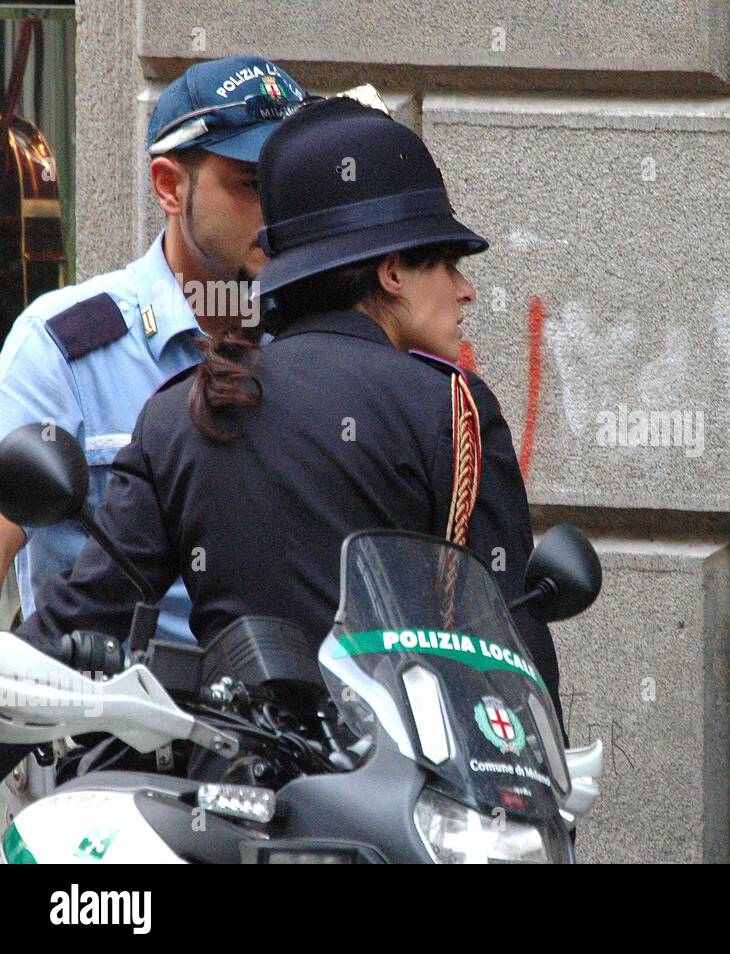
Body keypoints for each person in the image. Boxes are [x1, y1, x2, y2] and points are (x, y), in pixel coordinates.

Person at [7, 97, 562, 769]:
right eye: (445, 262)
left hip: (228, 797)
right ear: (390, 272)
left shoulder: (181, 409)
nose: (465, 289)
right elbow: (511, 648)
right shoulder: (452, 407)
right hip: (408, 793)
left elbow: (79, 617)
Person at [0, 56, 311, 642]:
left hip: (289, 718)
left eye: (291, 181)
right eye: (250, 183)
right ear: (170, 186)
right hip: (108, 713)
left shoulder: (318, 341)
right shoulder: (64, 346)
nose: (280, 209)